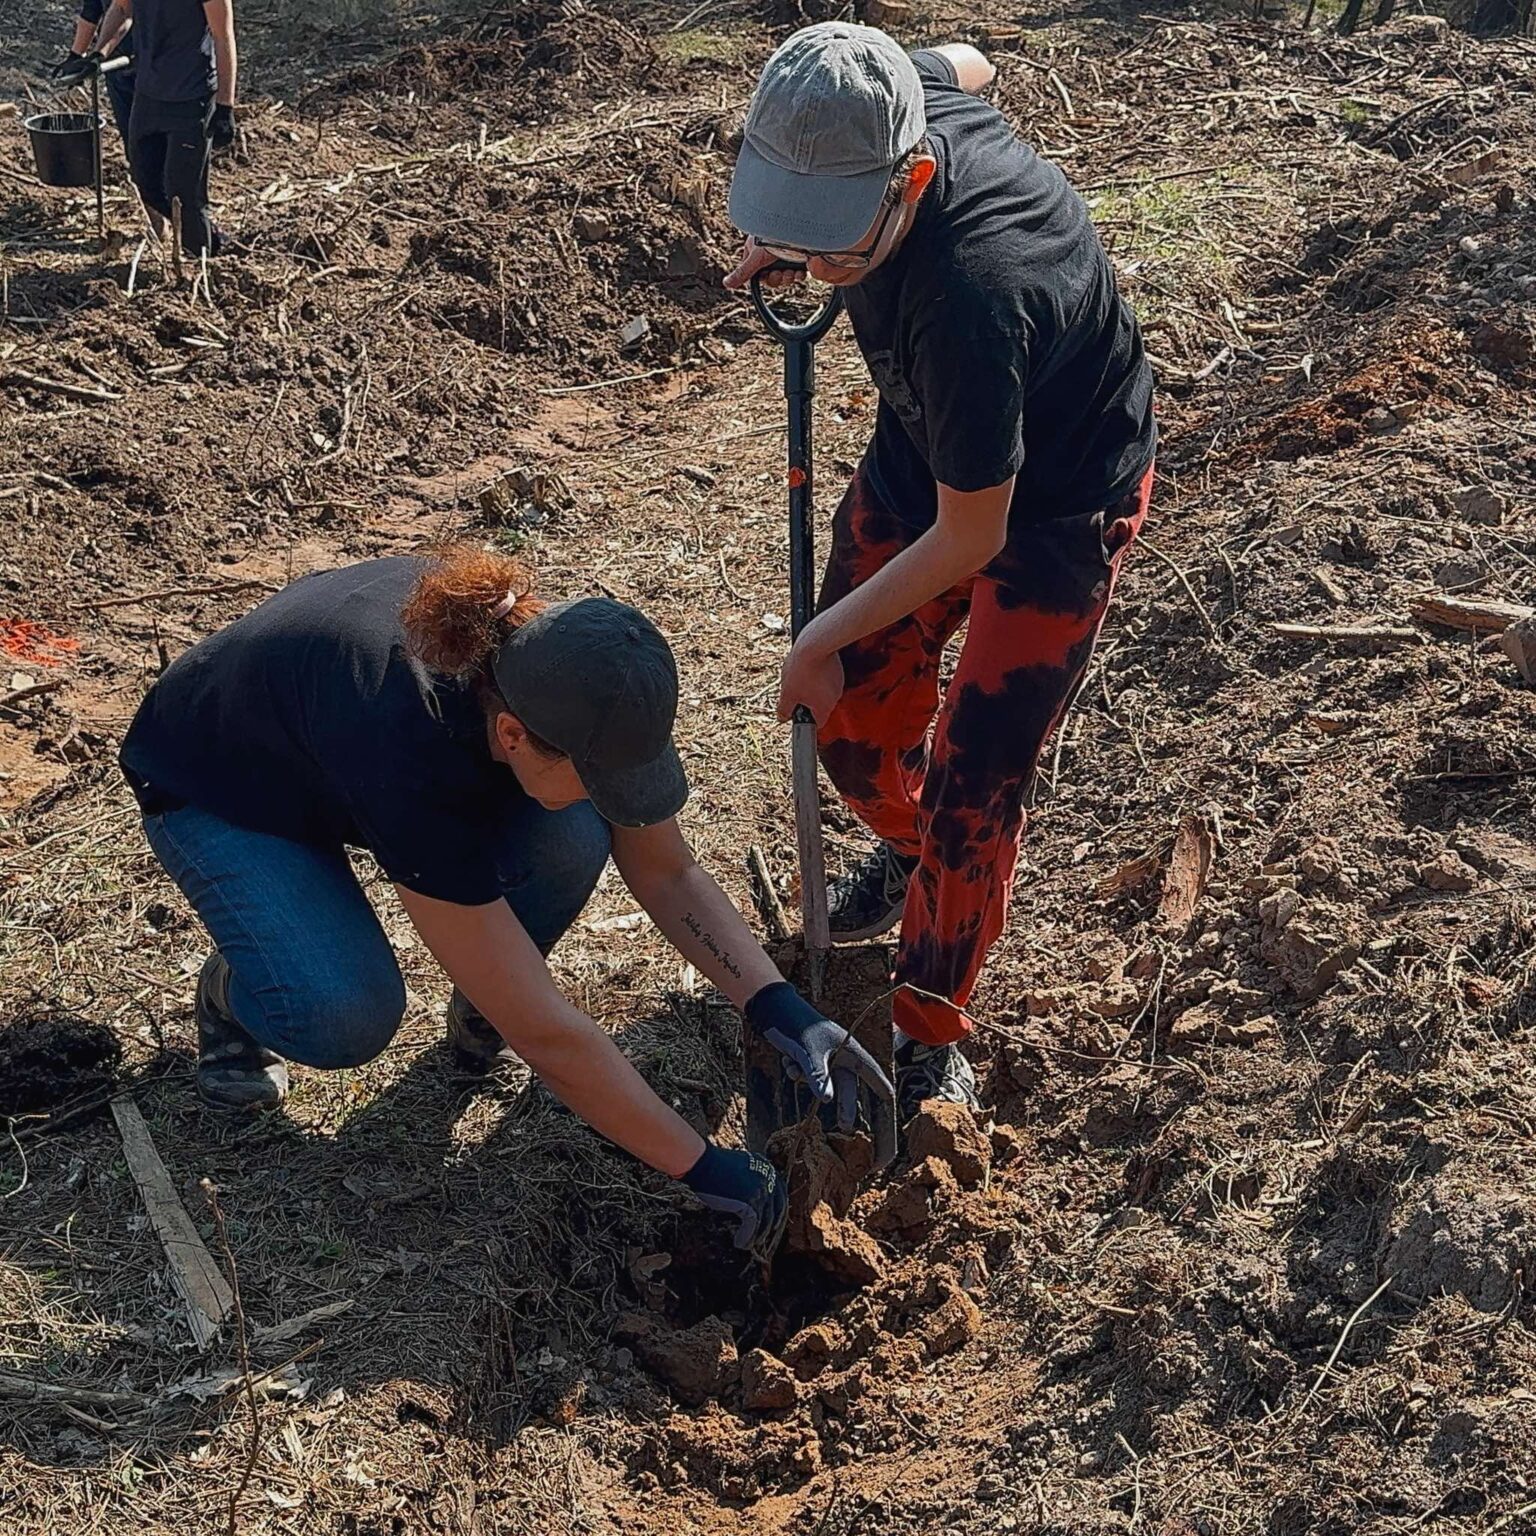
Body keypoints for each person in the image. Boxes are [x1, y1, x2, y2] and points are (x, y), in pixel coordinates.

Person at [119, 549, 894, 1259]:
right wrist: (705, 1169)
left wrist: (777, 1004)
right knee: (343, 1012)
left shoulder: (576, 678)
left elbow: (666, 872)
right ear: (514, 735)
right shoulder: (410, 748)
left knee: (578, 832)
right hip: (223, 785)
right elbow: (547, 1037)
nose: (612, 794)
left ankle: (482, 994)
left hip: (331, 738)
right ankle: (237, 989)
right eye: (596, 777)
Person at [725, 24, 1157, 1119]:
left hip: (1056, 507)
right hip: (935, 453)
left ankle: (929, 1024)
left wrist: (814, 635)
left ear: (912, 181)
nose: (814, 264)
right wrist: (796, 235)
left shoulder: (975, 293)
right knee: (852, 724)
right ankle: (919, 859)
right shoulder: (889, 101)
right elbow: (967, 59)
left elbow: (975, 537)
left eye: (833, 243)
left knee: (976, 789)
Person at [92, 0, 237, 256]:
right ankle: (208, 238)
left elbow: (222, 35)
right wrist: (97, 55)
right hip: (147, 93)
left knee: (183, 192)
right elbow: (122, 8)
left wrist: (225, 105)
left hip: (192, 96)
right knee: (144, 179)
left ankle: (199, 260)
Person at [53, 0, 137, 146]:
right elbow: (92, 9)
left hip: (154, 64)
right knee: (131, 136)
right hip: (115, 63)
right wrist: (76, 56)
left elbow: (125, 12)